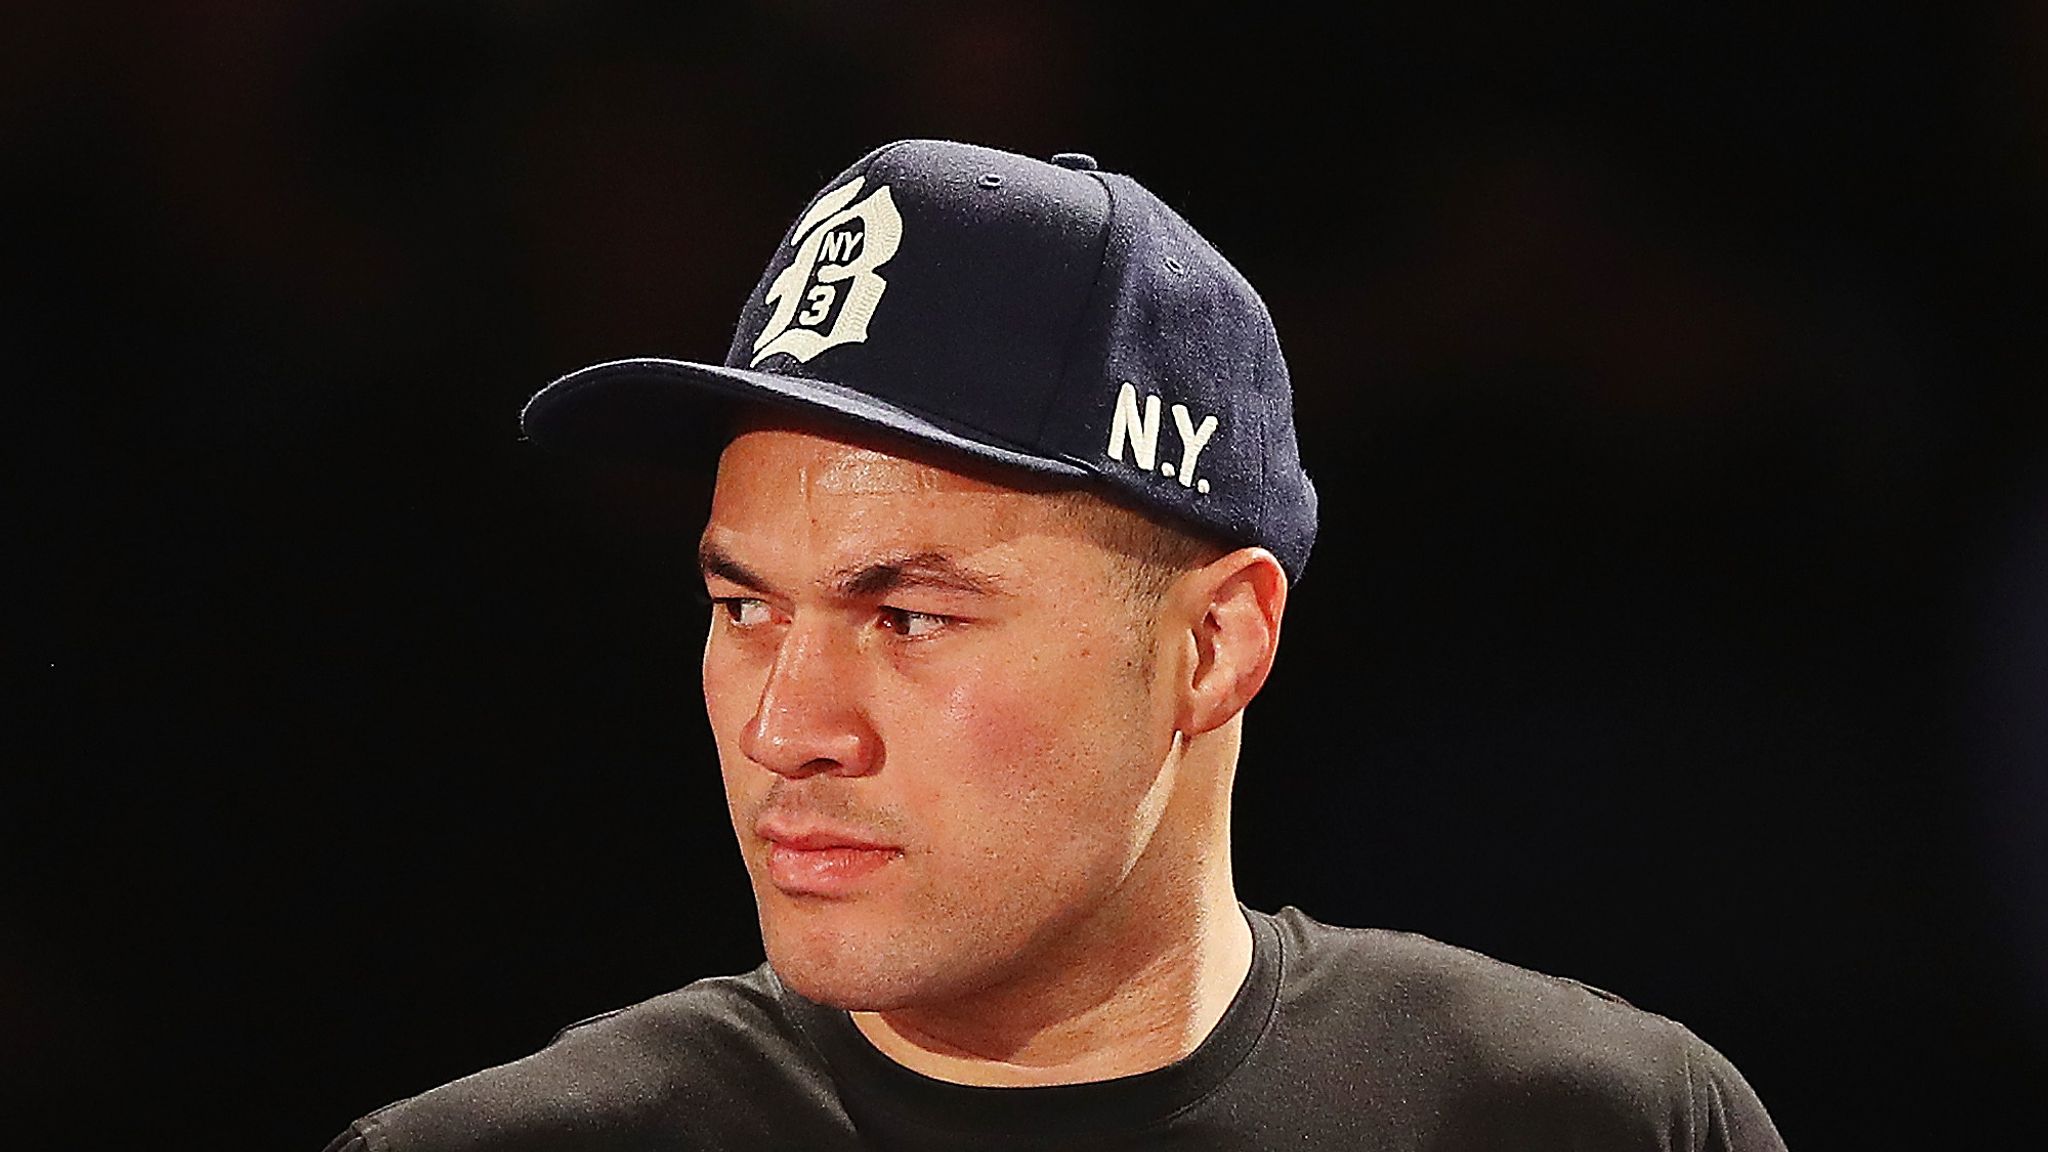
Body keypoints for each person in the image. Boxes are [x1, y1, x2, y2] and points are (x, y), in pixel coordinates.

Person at [324, 140, 1786, 1151]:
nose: (785, 726)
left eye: (907, 616)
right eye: (744, 606)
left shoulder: (1589, 1124)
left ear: (1215, 647)